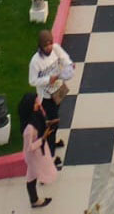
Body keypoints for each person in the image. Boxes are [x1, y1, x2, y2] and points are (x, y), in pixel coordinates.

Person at [28, 30, 73, 159]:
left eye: (50, 44)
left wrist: (69, 65)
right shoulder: (35, 62)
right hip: (46, 97)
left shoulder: (56, 49)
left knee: (55, 117)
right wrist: (48, 79)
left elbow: (64, 58)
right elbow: (32, 81)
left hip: (58, 89)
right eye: (45, 46)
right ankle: (50, 152)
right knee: (53, 122)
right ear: (40, 47)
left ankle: (51, 142)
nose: (49, 48)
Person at [19, 91, 57, 209]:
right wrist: (43, 138)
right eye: (35, 102)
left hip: (38, 151)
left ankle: (34, 199)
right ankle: (34, 200)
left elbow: (41, 123)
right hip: (34, 155)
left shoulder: (35, 115)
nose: (38, 103)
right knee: (32, 176)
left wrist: (48, 123)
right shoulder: (29, 130)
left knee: (32, 176)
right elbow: (29, 147)